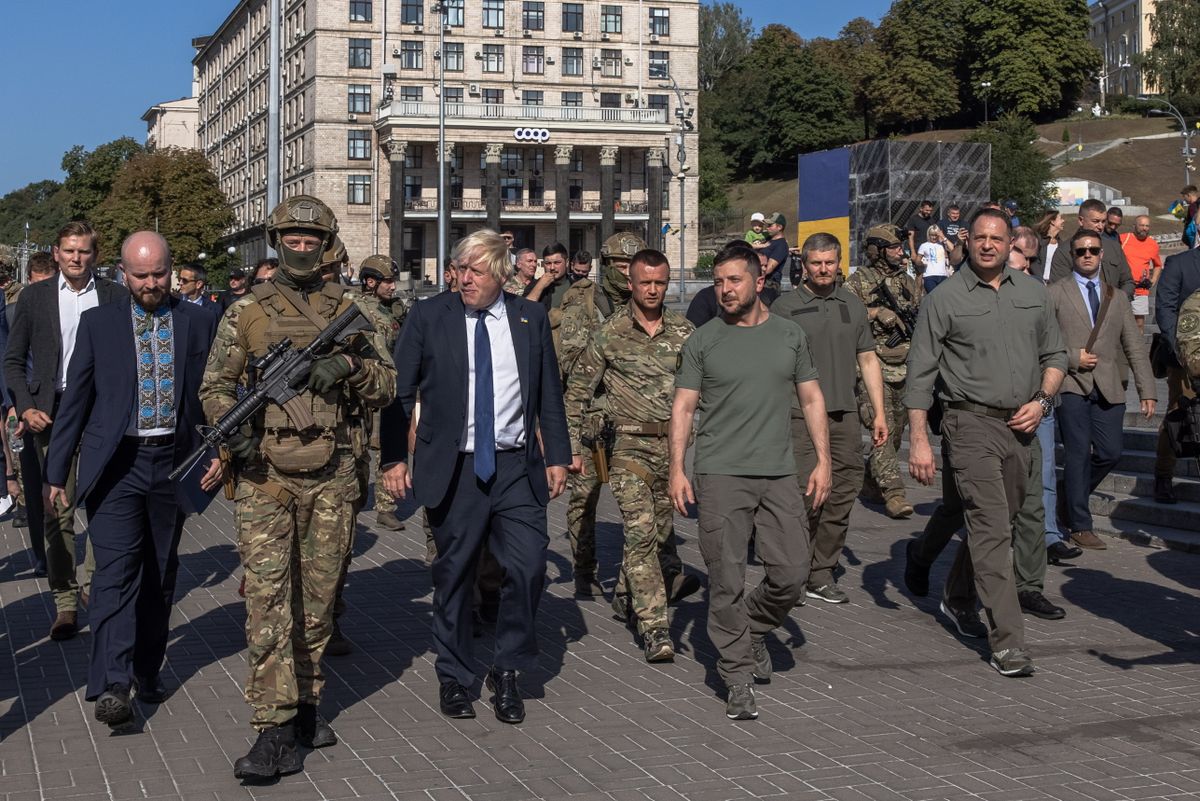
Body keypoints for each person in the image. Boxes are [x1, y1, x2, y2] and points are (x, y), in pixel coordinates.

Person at [199, 195, 396, 780]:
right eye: (292, 237)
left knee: (317, 601)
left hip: (333, 471)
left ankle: (307, 702)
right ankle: (271, 726)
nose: (301, 247)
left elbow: (387, 387)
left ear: (327, 243)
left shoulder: (353, 311)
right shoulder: (246, 312)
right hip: (264, 476)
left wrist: (351, 369)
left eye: (312, 239)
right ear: (276, 240)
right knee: (266, 603)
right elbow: (216, 385)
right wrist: (229, 432)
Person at [380, 229, 570, 725]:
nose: (464, 278)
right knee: (455, 575)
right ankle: (455, 676)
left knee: (528, 567)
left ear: (502, 275)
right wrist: (393, 460)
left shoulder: (530, 319)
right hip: (455, 467)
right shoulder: (428, 316)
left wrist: (558, 457)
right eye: (460, 268)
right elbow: (399, 396)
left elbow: (548, 395)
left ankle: (507, 670)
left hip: (513, 466)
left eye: (476, 271)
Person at [45, 231, 221, 729]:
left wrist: (220, 451)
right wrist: (56, 471)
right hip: (116, 465)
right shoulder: (98, 323)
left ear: (171, 269)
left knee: (159, 575)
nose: (150, 283)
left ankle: (147, 669)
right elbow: (76, 400)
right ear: (122, 273)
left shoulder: (199, 322)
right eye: (140, 275)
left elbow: (215, 397)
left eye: (159, 273)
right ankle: (112, 684)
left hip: (173, 464)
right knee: (114, 575)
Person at [669, 245, 830, 720]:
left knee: (792, 574)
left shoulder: (789, 335)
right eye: (719, 281)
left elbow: (813, 398)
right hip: (720, 474)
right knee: (726, 579)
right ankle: (736, 674)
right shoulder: (703, 341)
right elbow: (683, 406)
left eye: (734, 280)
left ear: (759, 282)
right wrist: (678, 468)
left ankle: (752, 628)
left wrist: (824, 461)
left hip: (779, 472)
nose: (725, 290)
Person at [905, 207, 1067, 677]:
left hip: (1023, 424)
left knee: (1002, 518)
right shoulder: (945, 299)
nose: (989, 245)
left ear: (1009, 242)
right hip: (968, 423)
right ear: (968, 242)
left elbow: (1056, 354)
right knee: (993, 529)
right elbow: (920, 374)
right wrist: (919, 439)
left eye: (998, 238)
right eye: (980, 238)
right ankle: (1008, 642)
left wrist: (1042, 400)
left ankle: (956, 595)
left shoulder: (1033, 294)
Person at [564, 249, 693, 661]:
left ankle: (625, 594)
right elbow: (577, 393)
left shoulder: (685, 332)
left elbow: (705, 391)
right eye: (645, 283)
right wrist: (571, 449)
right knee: (639, 533)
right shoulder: (609, 333)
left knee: (658, 532)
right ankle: (656, 628)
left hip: (671, 450)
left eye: (660, 283)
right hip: (626, 448)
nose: (653, 290)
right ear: (631, 284)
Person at [3, 221, 128, 641]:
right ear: (56, 253)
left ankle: (93, 585)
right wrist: (26, 405)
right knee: (57, 510)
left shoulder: (114, 295)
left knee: (103, 504)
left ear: (96, 254)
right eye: (70, 251)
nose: (77, 258)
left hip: (99, 415)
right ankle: (65, 601)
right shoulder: (35, 297)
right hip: (49, 416)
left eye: (85, 251)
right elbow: (13, 361)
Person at [773, 234, 887, 604]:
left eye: (829, 262)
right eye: (815, 263)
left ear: (840, 263)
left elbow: (868, 358)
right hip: (799, 415)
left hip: (845, 414)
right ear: (803, 265)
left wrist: (880, 411)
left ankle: (821, 571)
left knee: (844, 491)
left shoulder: (852, 305)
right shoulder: (784, 307)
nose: (823, 270)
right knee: (806, 495)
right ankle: (793, 567)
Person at [1049, 229, 1156, 550]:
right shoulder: (1055, 293)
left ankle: (1069, 496)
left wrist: (1147, 388)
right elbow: (1041, 342)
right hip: (1071, 384)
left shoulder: (1117, 296)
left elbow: (1134, 345)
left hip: (1109, 386)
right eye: (1081, 251)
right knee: (1078, 452)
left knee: (1111, 452)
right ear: (1072, 255)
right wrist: (1071, 358)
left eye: (1093, 250)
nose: (1087, 255)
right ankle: (1080, 524)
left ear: (1102, 254)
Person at [845, 224, 922, 519]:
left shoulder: (907, 281)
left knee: (898, 430)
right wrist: (875, 313)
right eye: (892, 248)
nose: (899, 252)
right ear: (876, 250)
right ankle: (894, 492)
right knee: (882, 427)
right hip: (869, 364)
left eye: (900, 247)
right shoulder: (858, 282)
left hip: (903, 364)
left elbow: (918, 310)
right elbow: (844, 316)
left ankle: (869, 481)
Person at [1151, 242, 1200, 503]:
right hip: (1185, 359)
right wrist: (1182, 349)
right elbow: (1165, 309)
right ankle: (1163, 475)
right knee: (1179, 415)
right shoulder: (1179, 264)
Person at [1048, 199, 1134, 298]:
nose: (1101, 227)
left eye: (1103, 221)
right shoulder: (1064, 250)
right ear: (1081, 220)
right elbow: (1058, 289)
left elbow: (1128, 282)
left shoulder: (1114, 247)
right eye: (1096, 221)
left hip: (1112, 309)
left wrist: (1118, 301)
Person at [1119, 215, 1162, 334]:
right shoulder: (1123, 238)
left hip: (1141, 289)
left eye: (1147, 226)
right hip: (1123, 288)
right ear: (1134, 226)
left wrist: (1153, 280)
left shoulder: (1152, 244)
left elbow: (1158, 265)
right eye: (1141, 225)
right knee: (1121, 322)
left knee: (1139, 323)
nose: (1144, 228)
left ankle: (1139, 350)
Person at [758, 212, 789, 302]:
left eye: (770, 225)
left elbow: (768, 269)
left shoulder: (781, 245)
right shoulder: (767, 239)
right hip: (761, 281)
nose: (767, 228)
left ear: (779, 227)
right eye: (767, 225)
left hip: (769, 285)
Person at [915, 225, 952, 294]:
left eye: (936, 235)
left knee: (943, 297)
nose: (934, 237)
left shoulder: (942, 244)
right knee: (933, 296)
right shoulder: (924, 245)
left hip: (943, 275)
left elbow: (952, 249)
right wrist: (923, 264)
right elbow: (917, 261)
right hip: (929, 276)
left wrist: (943, 237)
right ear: (928, 235)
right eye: (932, 235)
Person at [1034, 211, 1065, 283]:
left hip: (1056, 284)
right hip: (1040, 283)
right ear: (1052, 222)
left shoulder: (1061, 244)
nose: (1063, 221)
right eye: (1060, 218)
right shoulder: (1038, 241)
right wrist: (1041, 280)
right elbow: (1034, 263)